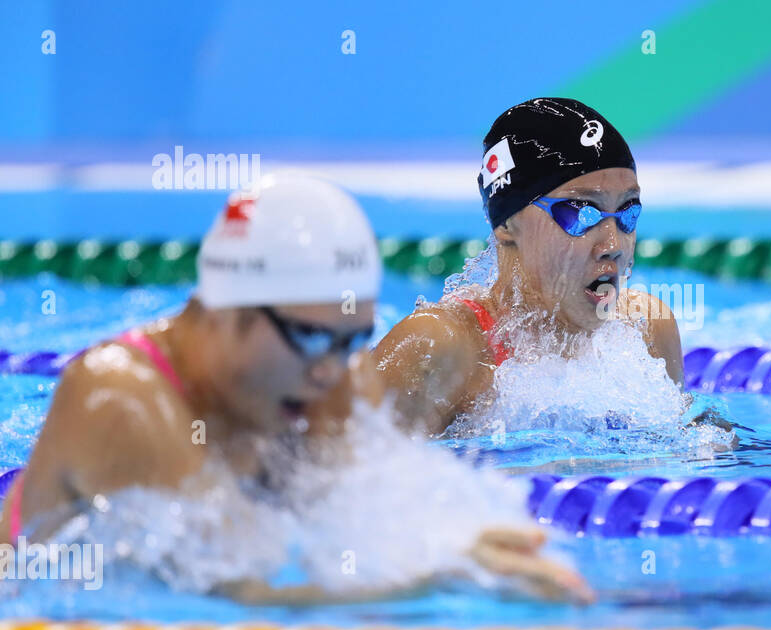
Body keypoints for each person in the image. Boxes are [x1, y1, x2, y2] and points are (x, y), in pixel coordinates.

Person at [0, 171, 588, 603]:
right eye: (311, 338)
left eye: (350, 340)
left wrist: (465, 541)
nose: (333, 372)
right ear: (226, 313)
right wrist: (439, 572)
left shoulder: (323, 376)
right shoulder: (120, 398)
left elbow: (371, 508)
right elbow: (236, 595)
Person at [375, 97, 684, 434]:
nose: (613, 246)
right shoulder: (439, 348)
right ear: (506, 223)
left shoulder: (647, 330)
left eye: (628, 213)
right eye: (581, 213)